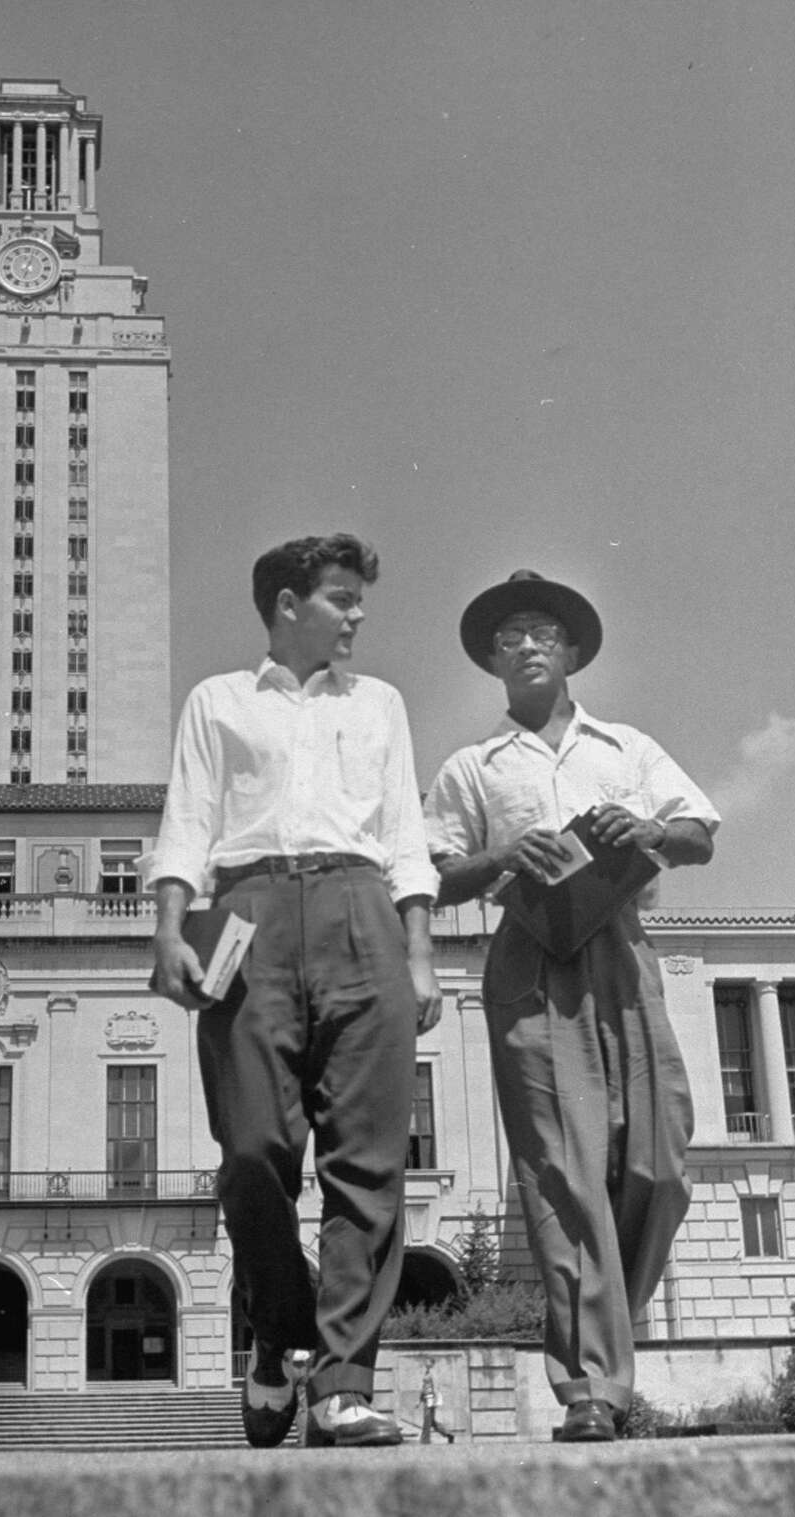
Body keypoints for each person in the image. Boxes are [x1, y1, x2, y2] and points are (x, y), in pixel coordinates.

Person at [146, 533, 441, 1449]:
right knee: (250, 1148)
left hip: (362, 910)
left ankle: (343, 1384)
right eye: (341, 597)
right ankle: (278, 1332)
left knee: (368, 1164)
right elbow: (188, 821)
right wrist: (168, 928)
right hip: (250, 914)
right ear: (287, 603)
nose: (358, 614)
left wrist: (419, 952)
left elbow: (405, 833)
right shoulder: (219, 700)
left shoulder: (380, 703)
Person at [424, 570, 718, 1443]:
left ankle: (603, 1330)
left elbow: (699, 831)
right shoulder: (472, 767)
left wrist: (649, 831)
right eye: (509, 636)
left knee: (660, 1162)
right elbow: (434, 872)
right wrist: (503, 855)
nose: (526, 645)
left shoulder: (626, 747)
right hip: (528, 959)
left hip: (622, 946)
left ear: (573, 650)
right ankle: (591, 1383)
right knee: (562, 1173)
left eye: (542, 632)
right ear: (492, 659)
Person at [417, 1357, 455, 1444]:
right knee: (432, 1421)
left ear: (432, 1364)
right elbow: (423, 1388)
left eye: (428, 1362)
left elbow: (435, 1387)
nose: (426, 1363)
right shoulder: (426, 1373)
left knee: (427, 1420)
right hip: (426, 1398)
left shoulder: (433, 1373)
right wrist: (419, 1400)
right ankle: (448, 1434)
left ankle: (424, 1440)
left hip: (431, 1399)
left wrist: (435, 1400)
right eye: (426, 1361)